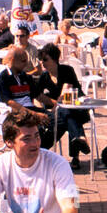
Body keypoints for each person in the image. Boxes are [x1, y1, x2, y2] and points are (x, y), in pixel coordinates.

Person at [34, 42, 91, 172]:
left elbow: (65, 94)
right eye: (41, 60)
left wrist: (54, 109)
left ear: (54, 59)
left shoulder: (66, 70)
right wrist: (41, 110)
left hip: (78, 109)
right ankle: (79, 140)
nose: (42, 63)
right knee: (65, 119)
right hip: (62, 113)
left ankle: (40, 151)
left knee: (66, 111)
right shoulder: (44, 76)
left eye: (45, 59)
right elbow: (36, 96)